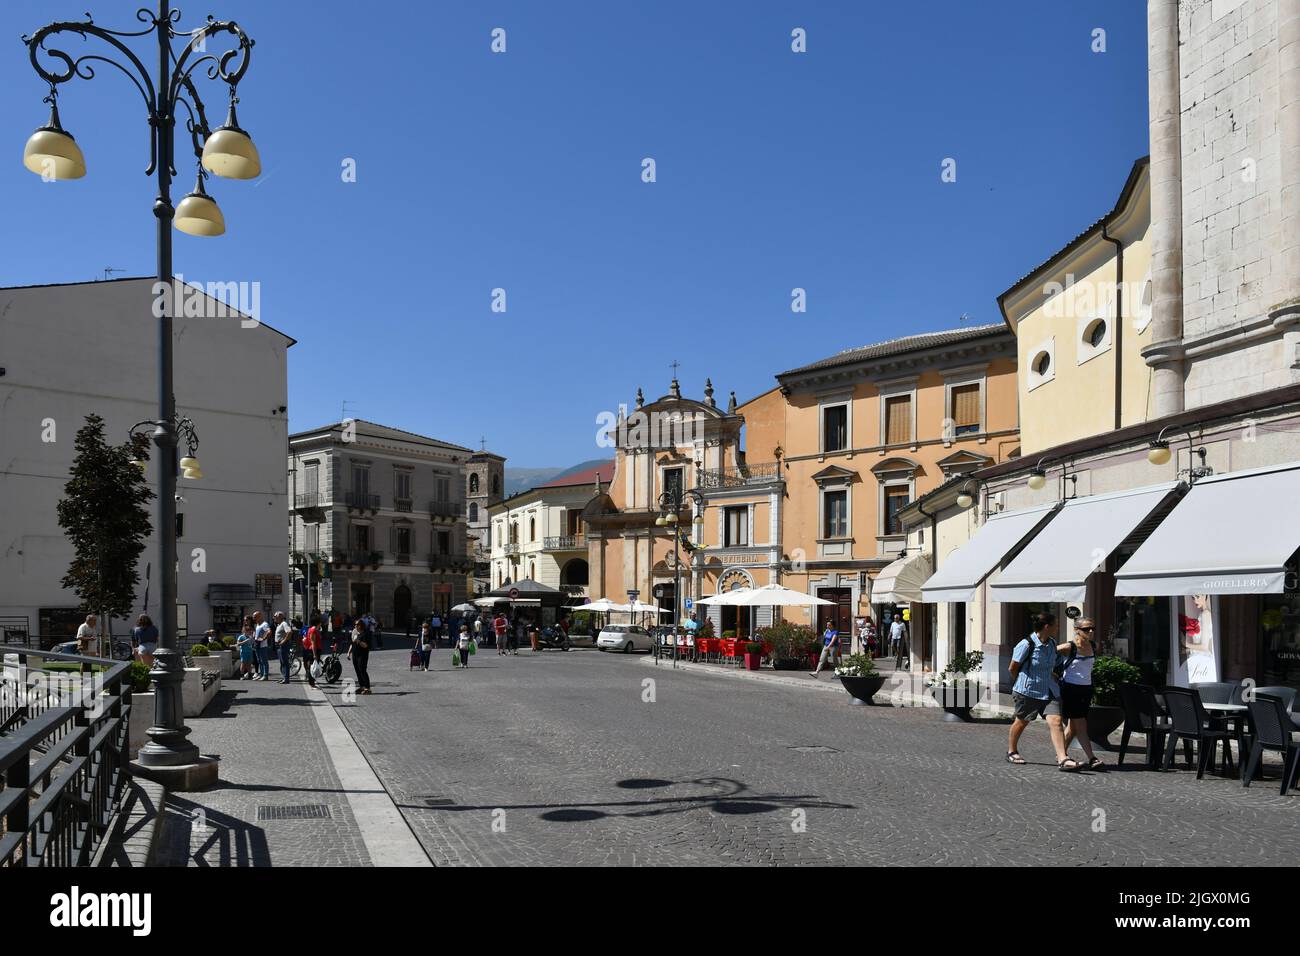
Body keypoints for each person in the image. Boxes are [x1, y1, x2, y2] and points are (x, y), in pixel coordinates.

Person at [1006, 611, 1080, 770]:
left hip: (1049, 690)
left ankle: (1062, 758)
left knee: (1056, 721)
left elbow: (1056, 662)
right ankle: (1012, 751)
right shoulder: (1026, 644)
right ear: (1047, 626)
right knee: (1022, 721)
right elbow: (1013, 668)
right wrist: (1021, 683)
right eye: (1055, 625)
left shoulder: (1052, 643)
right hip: (1028, 691)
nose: (1057, 627)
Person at [1058, 618, 1104, 770]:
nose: (1090, 631)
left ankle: (1061, 756)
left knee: (1073, 726)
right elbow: (1047, 655)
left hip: (1086, 688)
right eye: (1086, 629)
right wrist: (1052, 675)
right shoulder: (1068, 647)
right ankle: (1092, 758)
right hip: (1071, 689)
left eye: (1092, 628)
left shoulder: (1094, 646)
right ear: (1077, 630)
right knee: (1081, 724)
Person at [348, 619, 372, 695]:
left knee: (362, 670)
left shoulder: (365, 634)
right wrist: (349, 652)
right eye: (355, 625)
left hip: (362, 655)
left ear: (361, 625)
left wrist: (358, 641)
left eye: (357, 625)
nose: (355, 626)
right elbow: (352, 644)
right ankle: (362, 686)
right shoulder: (356, 633)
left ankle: (367, 688)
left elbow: (366, 645)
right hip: (355, 654)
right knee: (357, 671)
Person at [273, 611, 295, 684]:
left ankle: (286, 679)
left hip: (283, 645)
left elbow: (289, 632)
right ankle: (284, 677)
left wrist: (284, 641)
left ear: (280, 617)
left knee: (285, 662)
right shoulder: (279, 624)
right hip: (279, 645)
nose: (274, 618)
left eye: (275, 616)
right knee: (282, 662)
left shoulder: (284, 623)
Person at [301, 615, 320, 688]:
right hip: (314, 650)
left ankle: (311, 682)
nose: (321, 623)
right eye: (320, 622)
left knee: (311, 666)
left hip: (312, 649)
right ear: (317, 623)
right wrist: (315, 654)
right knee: (312, 667)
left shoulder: (311, 630)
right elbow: (313, 642)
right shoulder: (313, 630)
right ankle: (312, 683)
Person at [252, 611, 271, 681]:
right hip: (257, 645)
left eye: (255, 617)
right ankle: (261, 674)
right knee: (259, 661)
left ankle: (265, 675)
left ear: (259, 616)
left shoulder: (265, 624)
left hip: (263, 646)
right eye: (254, 617)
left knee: (264, 661)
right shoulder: (258, 624)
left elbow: (269, 632)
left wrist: (263, 638)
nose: (254, 618)